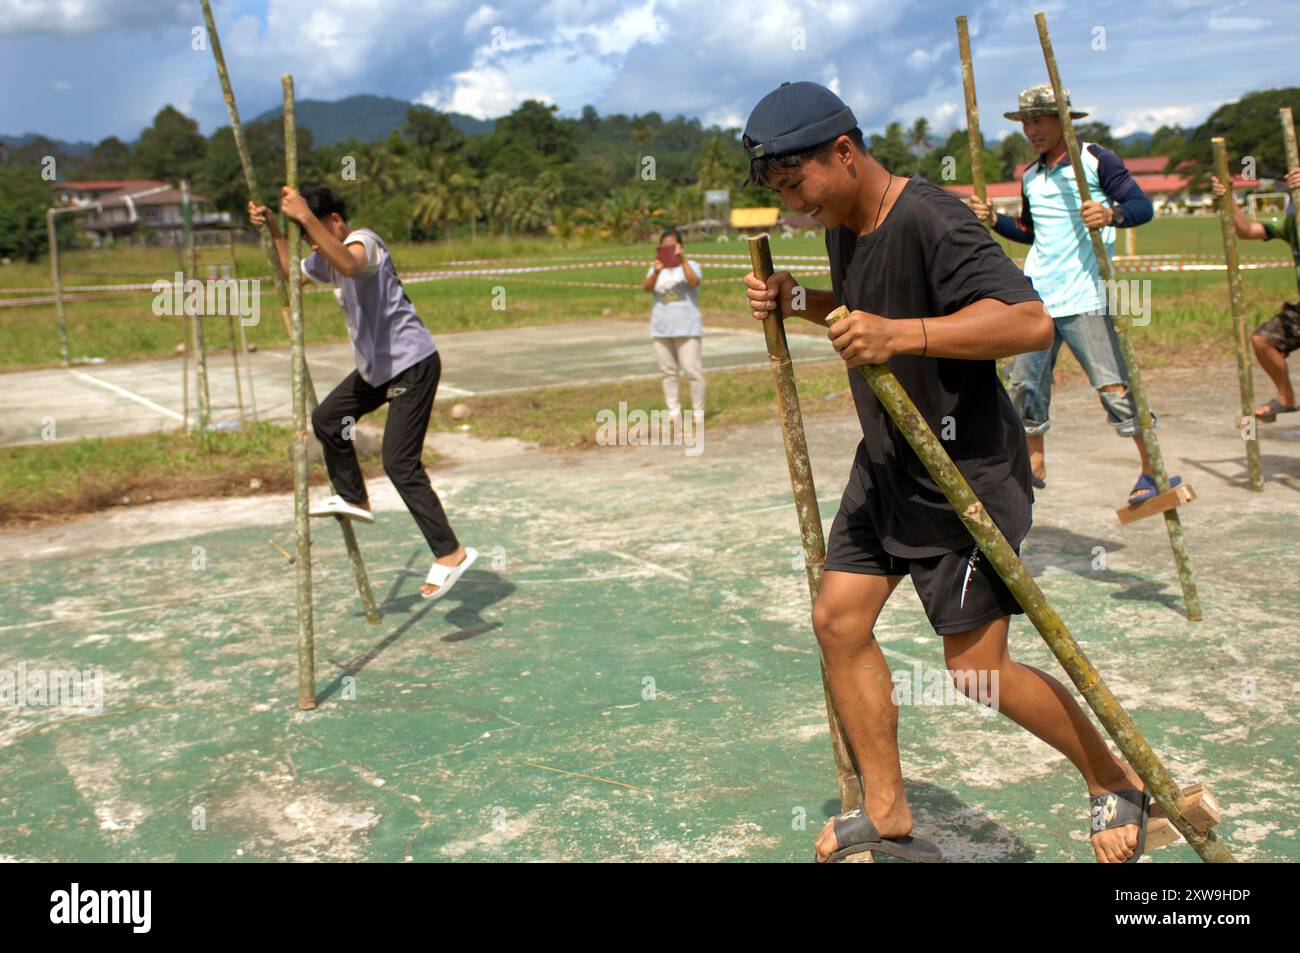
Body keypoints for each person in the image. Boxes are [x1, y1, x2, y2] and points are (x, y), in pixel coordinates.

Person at [742, 81, 1151, 863]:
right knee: (838, 621)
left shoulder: (931, 217)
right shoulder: (845, 220)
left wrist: (902, 334)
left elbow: (1027, 320)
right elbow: (867, 302)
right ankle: (888, 808)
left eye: (798, 185)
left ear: (844, 151)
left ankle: (1112, 777)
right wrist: (803, 299)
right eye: (781, 192)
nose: (794, 205)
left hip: (965, 473)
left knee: (975, 671)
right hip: (891, 459)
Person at [248, 186, 476, 600]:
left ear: (334, 221)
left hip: (413, 364)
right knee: (327, 419)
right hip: (378, 371)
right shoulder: (327, 255)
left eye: (317, 233)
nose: (314, 245)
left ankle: (451, 553)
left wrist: (304, 219)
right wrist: (277, 232)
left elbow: (350, 266)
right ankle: (353, 497)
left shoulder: (364, 243)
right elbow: (292, 275)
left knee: (399, 462)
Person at [969, 84, 1175, 504]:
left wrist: (1110, 213)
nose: (1030, 129)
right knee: (1024, 385)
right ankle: (1035, 462)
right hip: (1037, 298)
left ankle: (1152, 470)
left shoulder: (1096, 160)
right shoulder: (1031, 175)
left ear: (1062, 119)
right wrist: (995, 220)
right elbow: (1029, 232)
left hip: (1085, 298)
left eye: (1038, 120)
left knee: (1113, 387)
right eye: (1025, 122)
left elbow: (1142, 207)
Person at [1210, 165, 1300, 421]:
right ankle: (1286, 397)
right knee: (1263, 340)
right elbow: (1246, 231)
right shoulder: (1292, 224)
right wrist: (1227, 197)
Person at [642, 228, 705, 423]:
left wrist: (683, 260)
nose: (668, 249)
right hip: (662, 328)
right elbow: (646, 287)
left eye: (673, 246)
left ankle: (698, 412)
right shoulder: (655, 268)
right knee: (668, 372)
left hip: (687, 327)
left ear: (680, 246)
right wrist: (656, 270)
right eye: (664, 246)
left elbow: (694, 282)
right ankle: (674, 411)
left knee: (692, 371)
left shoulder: (691, 265)